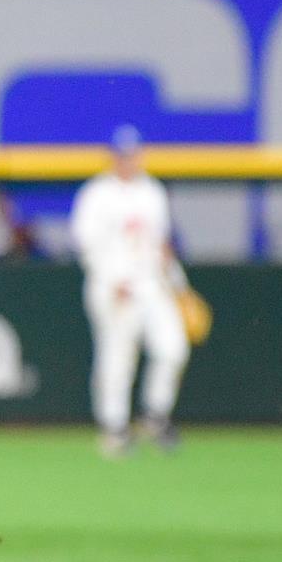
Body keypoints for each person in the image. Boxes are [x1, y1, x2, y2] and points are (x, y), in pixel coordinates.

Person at [68, 126, 189, 458]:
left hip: (151, 284)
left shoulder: (152, 191)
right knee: (117, 357)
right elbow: (85, 245)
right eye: (122, 155)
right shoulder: (96, 194)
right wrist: (111, 280)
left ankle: (154, 414)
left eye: (132, 154)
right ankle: (114, 427)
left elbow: (160, 243)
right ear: (113, 157)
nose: (128, 160)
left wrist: (179, 284)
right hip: (113, 286)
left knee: (172, 348)